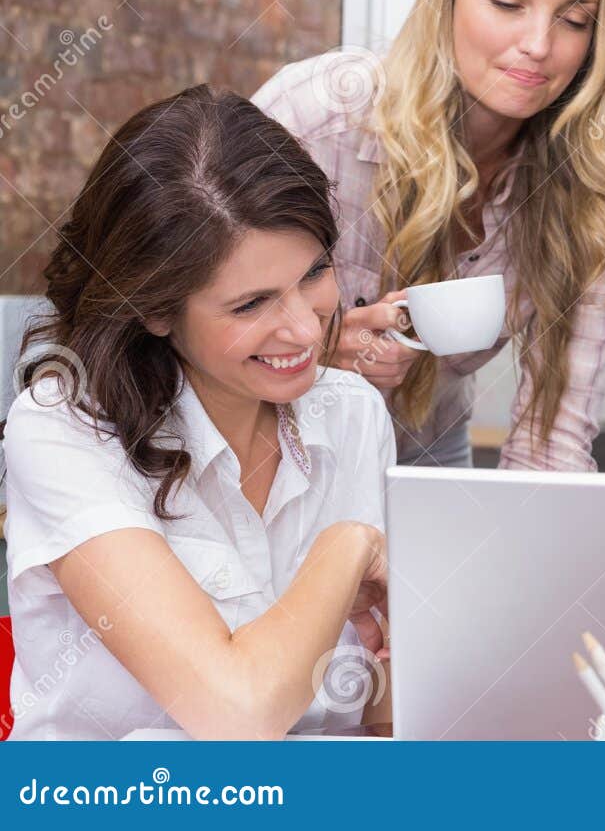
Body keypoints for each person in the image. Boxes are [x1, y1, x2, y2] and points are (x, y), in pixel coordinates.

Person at [1, 88, 394, 740]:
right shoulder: (62, 431)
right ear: (157, 309)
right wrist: (348, 544)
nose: (303, 328)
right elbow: (236, 710)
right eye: (251, 304)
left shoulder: (353, 416)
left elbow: (387, 726)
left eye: (316, 271)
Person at [256, 0, 605, 470]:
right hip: (266, 461)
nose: (539, 45)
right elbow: (182, 319)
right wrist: (314, 345)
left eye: (574, 20)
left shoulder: (596, 186)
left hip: (422, 464)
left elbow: (555, 442)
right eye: (508, 2)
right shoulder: (318, 115)